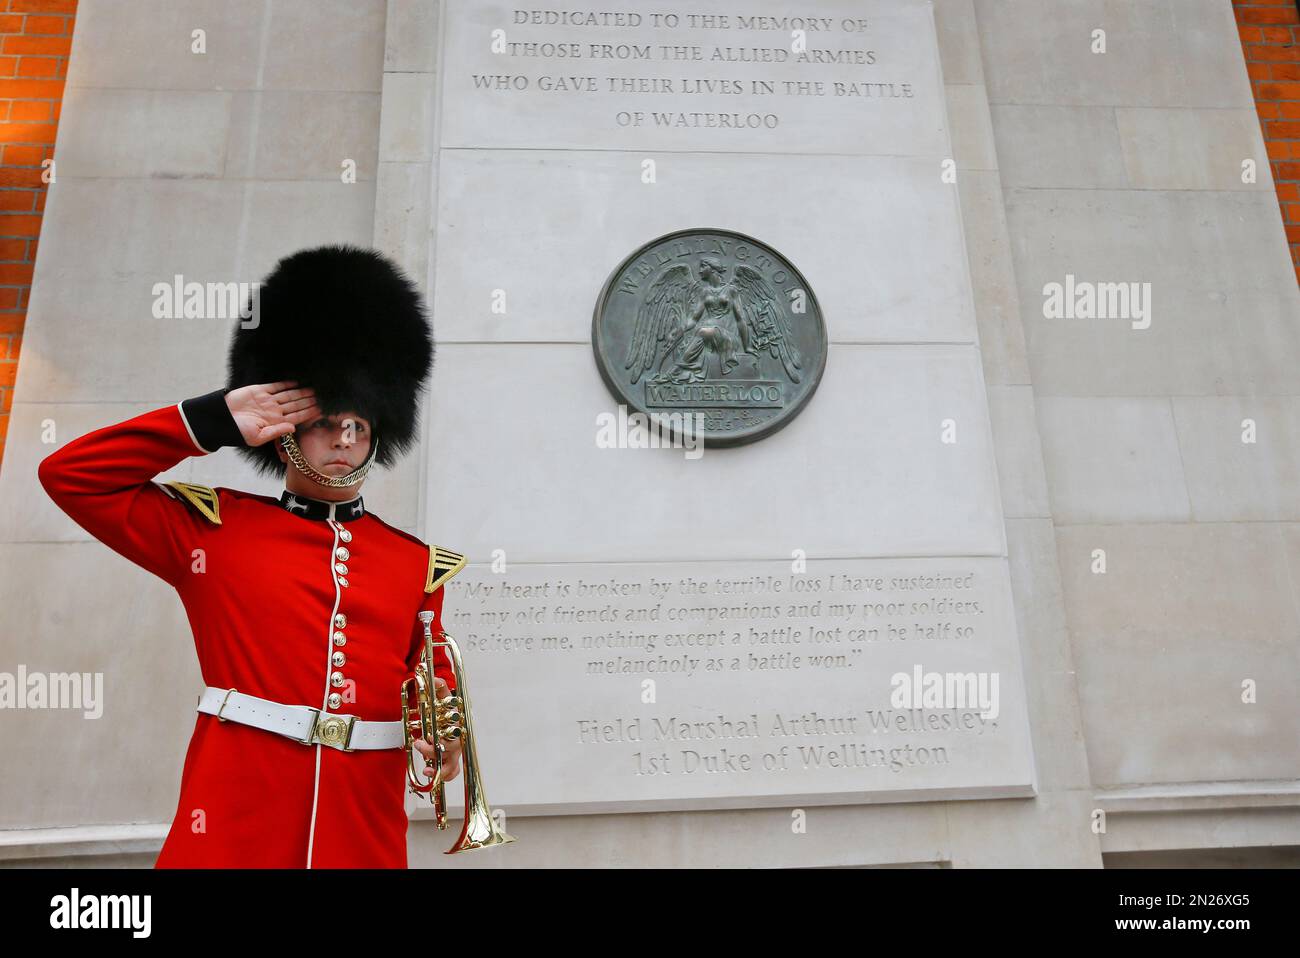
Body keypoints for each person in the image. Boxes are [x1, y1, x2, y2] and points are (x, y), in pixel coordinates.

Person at [37, 244, 465, 868]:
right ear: (287, 428)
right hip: (240, 807)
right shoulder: (212, 530)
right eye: (326, 422)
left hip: (363, 816)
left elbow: (425, 670)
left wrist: (440, 731)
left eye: (361, 427)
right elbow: (70, 475)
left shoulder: (413, 562)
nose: (345, 440)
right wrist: (210, 420)